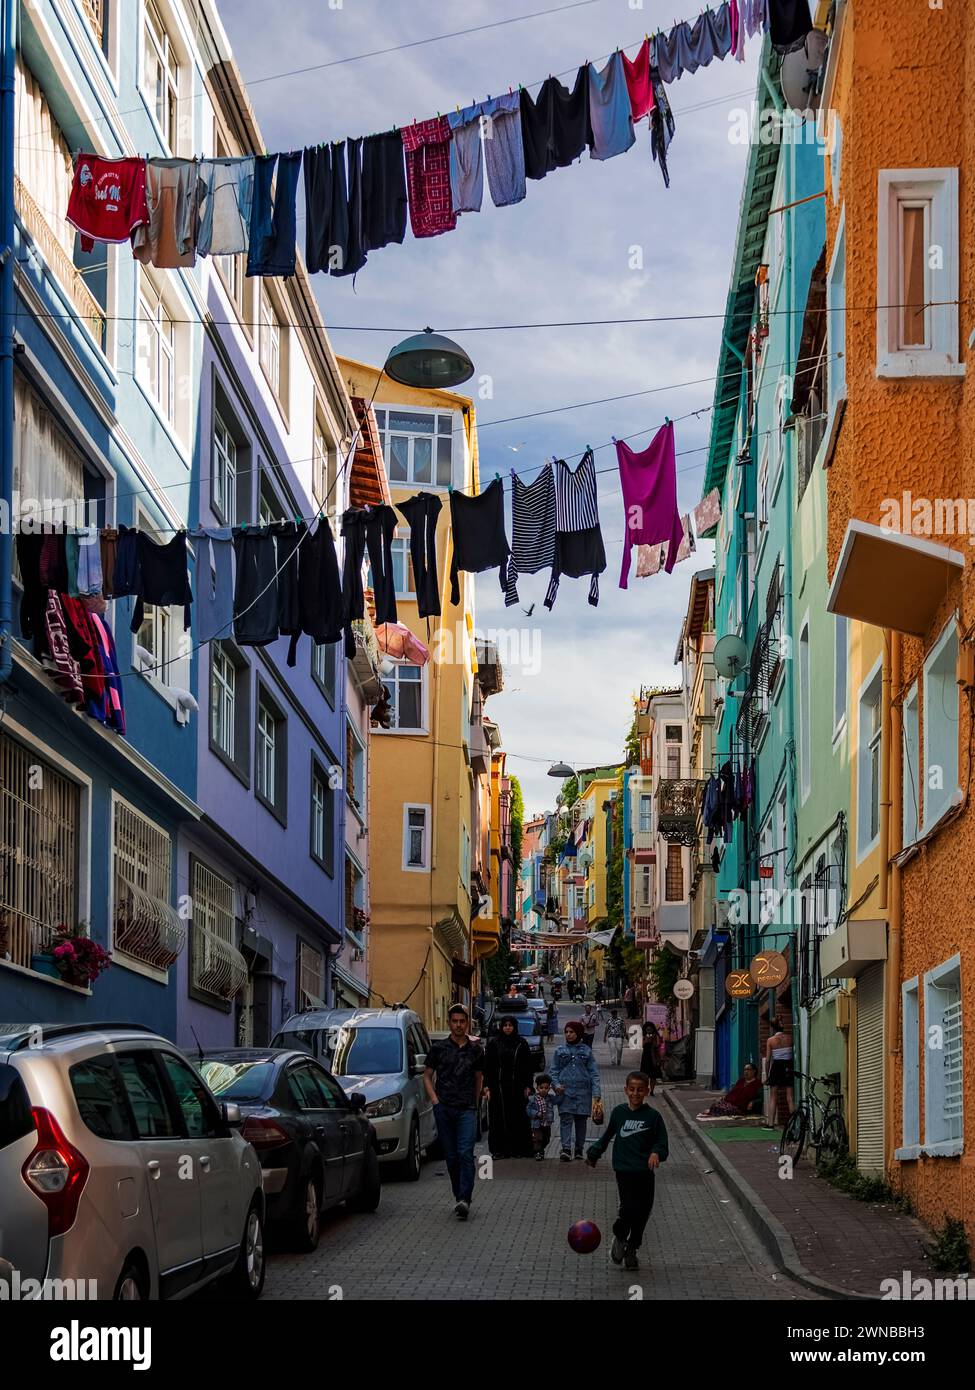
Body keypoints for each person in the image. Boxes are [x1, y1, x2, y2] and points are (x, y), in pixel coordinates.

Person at [586, 1071, 668, 1271]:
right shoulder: (619, 1113)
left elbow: (662, 1142)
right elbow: (606, 1137)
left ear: (647, 1091)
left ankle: (632, 1248)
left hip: (645, 1172)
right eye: (632, 1089)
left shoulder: (653, 1117)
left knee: (643, 1212)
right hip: (624, 1170)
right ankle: (621, 1236)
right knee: (629, 1208)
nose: (635, 1094)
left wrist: (656, 1153)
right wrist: (594, 1153)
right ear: (625, 1090)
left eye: (640, 1090)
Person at [424, 1004, 485, 1220]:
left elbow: (479, 1077)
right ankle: (458, 1194)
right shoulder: (439, 1049)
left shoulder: (475, 1049)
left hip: (466, 1108)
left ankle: (464, 1199)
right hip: (444, 1108)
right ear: (449, 1023)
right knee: (450, 1156)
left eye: (462, 1021)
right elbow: (427, 1076)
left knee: (465, 1153)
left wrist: (475, 1102)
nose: (458, 1025)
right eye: (455, 1021)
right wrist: (435, 1101)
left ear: (467, 1023)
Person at [548, 1021, 602, 1161]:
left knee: (581, 1121)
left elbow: (593, 1073)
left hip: (583, 1093)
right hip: (565, 1093)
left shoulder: (586, 1051)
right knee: (566, 1119)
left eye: (572, 1032)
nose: (569, 1034)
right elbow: (553, 1071)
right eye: (566, 1032)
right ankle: (566, 1149)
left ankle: (579, 1149)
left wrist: (597, 1094)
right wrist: (556, 1085)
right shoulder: (559, 1051)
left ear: (578, 1033)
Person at [483, 1015, 535, 1158]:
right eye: (505, 1025)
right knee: (498, 1119)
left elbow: (527, 1066)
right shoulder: (494, 1044)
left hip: (517, 1087)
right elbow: (487, 1066)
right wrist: (486, 1085)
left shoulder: (521, 1043)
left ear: (514, 1027)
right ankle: (499, 1150)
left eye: (510, 1025)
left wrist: (528, 1085)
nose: (507, 1028)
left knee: (518, 1117)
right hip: (497, 1087)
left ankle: (518, 1149)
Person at [765, 1013, 795, 1126]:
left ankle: (771, 1123)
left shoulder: (770, 1040)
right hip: (788, 1066)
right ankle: (793, 1123)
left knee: (773, 1096)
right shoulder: (790, 1038)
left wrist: (767, 1075)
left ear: (773, 1027)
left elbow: (768, 1060)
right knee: (790, 1097)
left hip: (776, 1066)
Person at [526, 1074, 557, 1160]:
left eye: (546, 1088)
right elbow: (528, 1109)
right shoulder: (533, 1099)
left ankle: (541, 1150)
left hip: (546, 1123)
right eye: (541, 1087)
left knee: (547, 1138)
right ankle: (538, 1152)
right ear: (537, 1088)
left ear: (549, 1088)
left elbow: (558, 1100)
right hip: (536, 1124)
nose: (543, 1090)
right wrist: (536, 1113)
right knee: (538, 1138)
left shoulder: (550, 1098)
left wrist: (558, 1091)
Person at [640, 1022, 663, 1097]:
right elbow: (643, 1045)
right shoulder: (644, 1036)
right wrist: (646, 1040)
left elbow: (658, 1045)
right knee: (645, 1075)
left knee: (653, 1076)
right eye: (647, 1029)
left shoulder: (655, 1036)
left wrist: (652, 1040)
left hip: (653, 1057)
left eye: (650, 1029)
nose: (649, 1030)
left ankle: (652, 1091)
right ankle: (646, 1089)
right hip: (646, 1057)